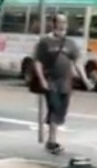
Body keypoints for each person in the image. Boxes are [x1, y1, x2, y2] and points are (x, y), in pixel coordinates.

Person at [33, 13, 85, 155]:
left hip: (66, 83)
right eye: (60, 22)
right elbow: (38, 62)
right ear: (54, 24)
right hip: (51, 81)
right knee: (54, 107)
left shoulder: (70, 43)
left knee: (61, 110)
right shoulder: (45, 42)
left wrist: (85, 79)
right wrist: (42, 80)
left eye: (65, 22)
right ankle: (52, 140)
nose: (63, 25)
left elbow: (78, 62)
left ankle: (51, 134)